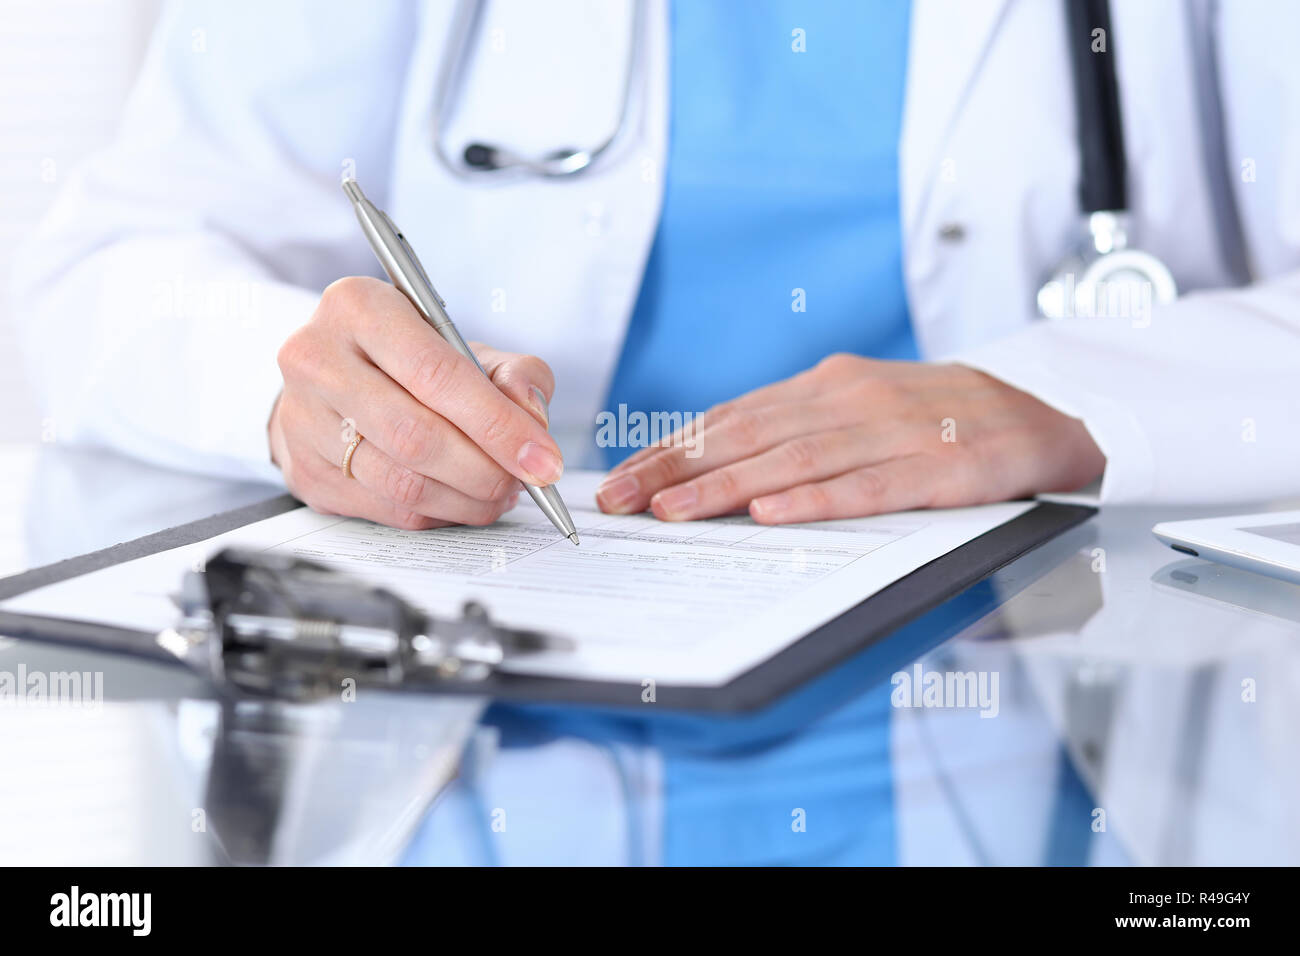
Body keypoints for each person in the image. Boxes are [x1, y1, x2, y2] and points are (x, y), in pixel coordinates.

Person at [13, 0, 1300, 533]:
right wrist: (301, 385)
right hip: (524, 647)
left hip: (1041, 667)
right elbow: (111, 261)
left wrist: (1075, 398)